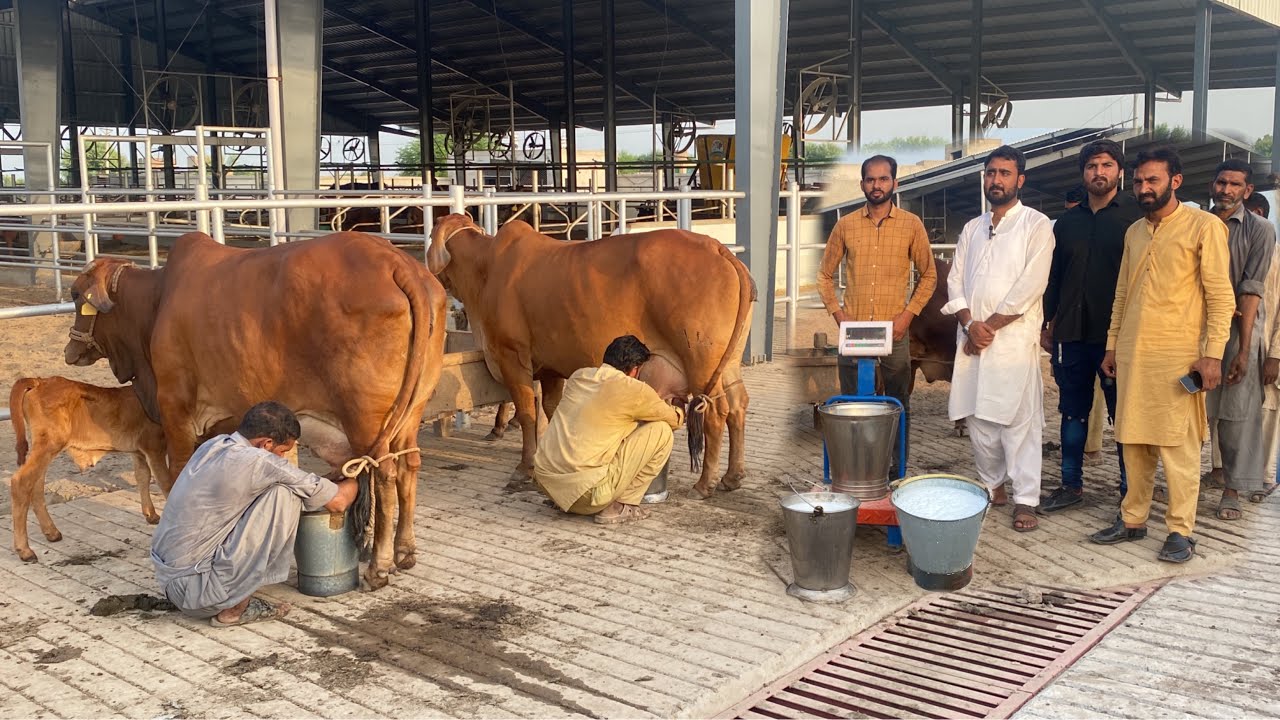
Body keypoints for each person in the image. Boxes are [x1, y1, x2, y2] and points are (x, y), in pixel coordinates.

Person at [1090, 145, 1234, 562]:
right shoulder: (1134, 231)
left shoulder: (1204, 226)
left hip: (1179, 355)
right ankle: (1132, 519)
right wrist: (1113, 345)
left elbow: (1221, 297)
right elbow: (1122, 294)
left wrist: (1212, 354)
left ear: (1175, 181)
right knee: (1132, 440)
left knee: (1178, 446)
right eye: (1138, 181)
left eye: (1153, 180)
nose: (1144, 187)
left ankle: (1180, 530)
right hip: (1135, 354)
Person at [151, 401, 359, 626]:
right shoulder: (261, 462)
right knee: (285, 494)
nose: (281, 458)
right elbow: (338, 501)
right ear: (266, 444)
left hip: (170, 581)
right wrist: (357, 476)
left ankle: (229, 592)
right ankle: (234, 609)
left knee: (282, 488)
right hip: (198, 592)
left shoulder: (213, 445)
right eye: (282, 452)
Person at [941, 145, 1054, 532]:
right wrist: (969, 323)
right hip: (972, 338)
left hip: (1011, 343)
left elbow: (1030, 286)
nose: (996, 180)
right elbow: (954, 279)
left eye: (1004, 173)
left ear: (1020, 180)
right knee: (977, 418)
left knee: (1018, 423)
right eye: (990, 173)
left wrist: (986, 327)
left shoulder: (1037, 225)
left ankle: (1026, 499)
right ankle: (993, 486)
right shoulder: (972, 228)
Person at [817, 154, 937, 475]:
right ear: (862, 184)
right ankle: (855, 469)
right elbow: (824, 276)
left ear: (895, 183)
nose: (877, 185)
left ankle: (895, 470)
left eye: (884, 179)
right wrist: (838, 315)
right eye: (871, 179)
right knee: (852, 403)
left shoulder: (911, 225)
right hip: (853, 331)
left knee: (898, 404)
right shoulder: (846, 225)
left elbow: (929, 275)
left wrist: (907, 317)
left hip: (894, 332)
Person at [1039, 140, 1141, 512]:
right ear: (1083, 174)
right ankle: (1070, 486)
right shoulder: (1066, 223)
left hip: (1118, 337)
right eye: (1092, 166)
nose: (1099, 172)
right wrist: (1046, 323)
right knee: (1072, 410)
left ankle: (1131, 491)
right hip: (1071, 332)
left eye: (1107, 165)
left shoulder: (1136, 218)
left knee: (1124, 415)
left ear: (1120, 172)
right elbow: (1054, 277)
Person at [533, 335, 684, 525]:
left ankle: (568, 498)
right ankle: (621, 506)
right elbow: (674, 421)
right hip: (585, 496)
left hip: (548, 484)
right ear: (635, 370)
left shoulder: (579, 376)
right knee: (661, 431)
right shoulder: (633, 388)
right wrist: (679, 406)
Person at [1204, 159, 1276, 520]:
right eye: (1221, 183)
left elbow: (1251, 290)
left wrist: (1245, 350)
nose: (1226, 190)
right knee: (1188, 407)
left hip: (1238, 329)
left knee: (1235, 414)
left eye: (1235, 185)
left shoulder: (1260, 230)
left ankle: (1231, 489)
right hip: (1193, 328)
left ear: (1247, 191)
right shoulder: (1196, 223)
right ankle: (1187, 478)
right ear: (1212, 185)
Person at [1247, 192, 1280, 503]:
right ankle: (1222, 470)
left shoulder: (1278, 257)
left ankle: (1265, 477)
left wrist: (1275, 356)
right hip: (1236, 349)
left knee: (1267, 412)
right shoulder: (1234, 252)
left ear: (1257, 213)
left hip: (1267, 350)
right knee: (1227, 415)